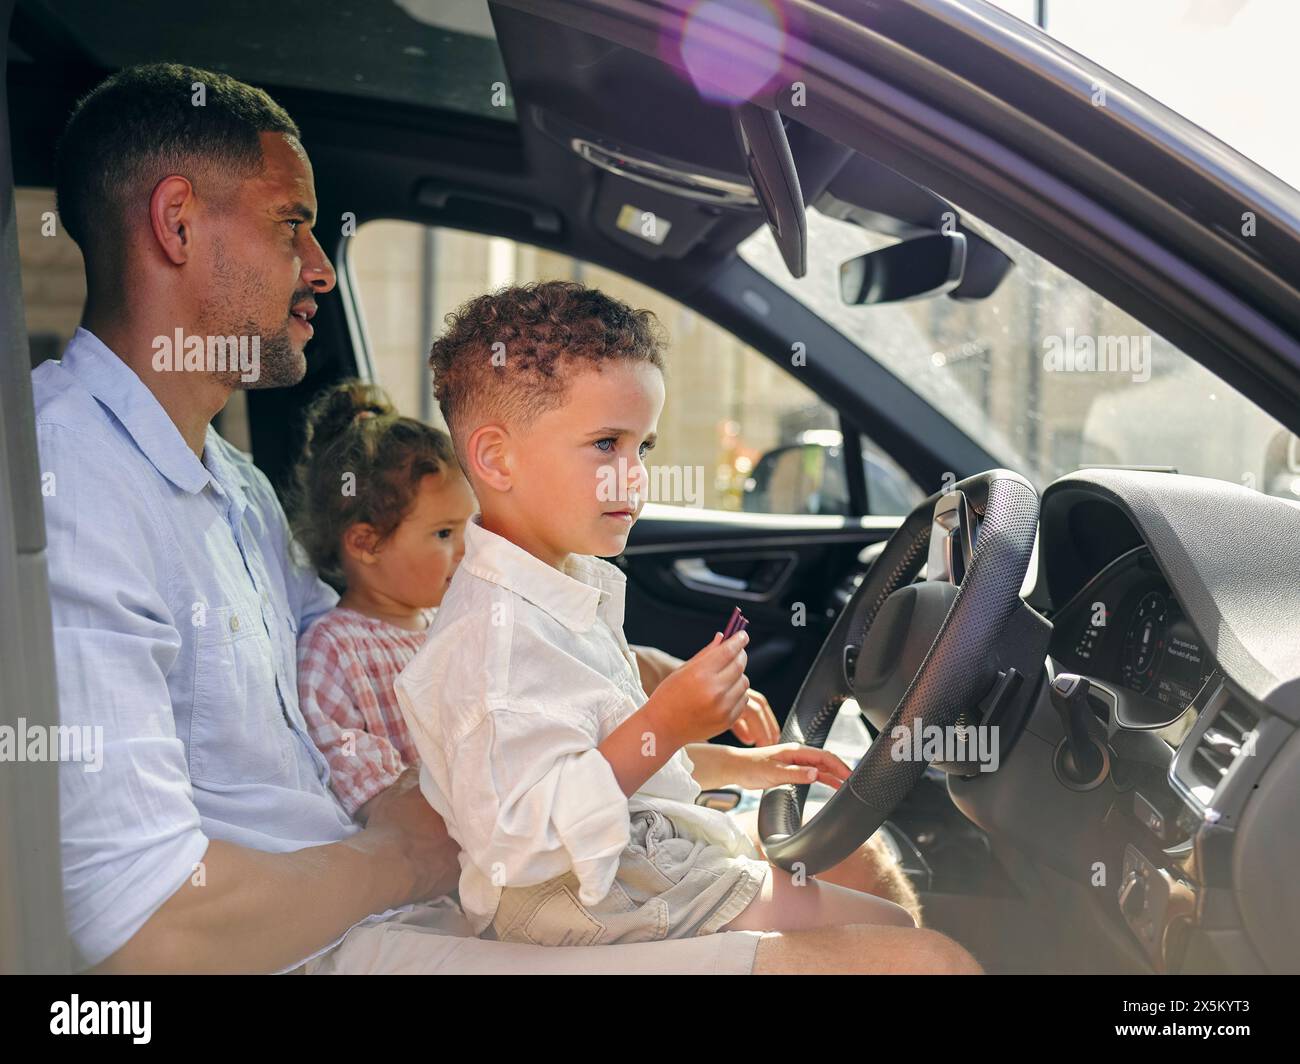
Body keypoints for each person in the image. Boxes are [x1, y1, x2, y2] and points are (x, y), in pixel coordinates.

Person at [34, 61, 971, 973]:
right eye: (293, 227)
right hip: (325, 943)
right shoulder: (71, 485)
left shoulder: (227, 482)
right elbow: (151, 926)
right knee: (918, 964)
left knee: (859, 864)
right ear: (177, 223)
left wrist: (610, 681)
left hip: (410, 887)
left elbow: (379, 643)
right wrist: (405, 856)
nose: (319, 268)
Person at [393, 281, 937, 952]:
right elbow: (523, 842)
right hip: (587, 905)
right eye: (604, 445)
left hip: (634, 866)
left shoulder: (561, 587)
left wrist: (746, 766)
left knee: (870, 890)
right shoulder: (490, 645)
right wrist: (665, 721)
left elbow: (609, 767)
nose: (633, 477)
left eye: (642, 447)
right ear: (497, 458)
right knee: (896, 937)